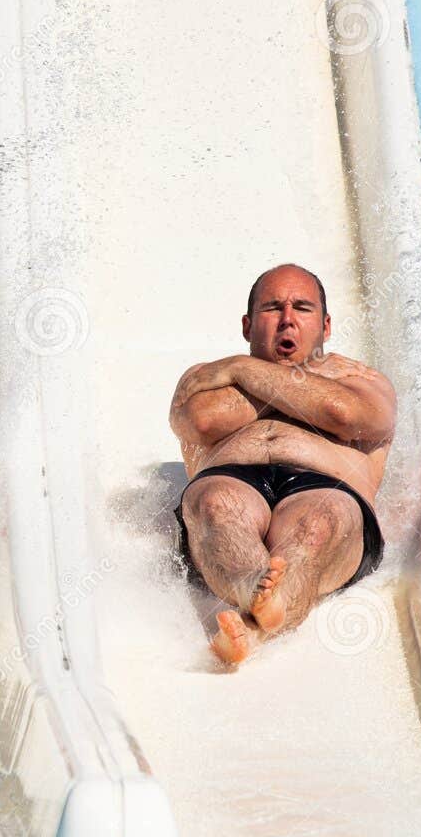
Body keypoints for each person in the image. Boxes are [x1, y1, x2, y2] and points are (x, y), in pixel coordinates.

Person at [168, 264, 396, 666]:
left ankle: (256, 621)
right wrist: (293, 382)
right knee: (217, 504)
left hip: (327, 489)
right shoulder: (203, 377)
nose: (287, 319)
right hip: (230, 479)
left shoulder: (361, 378)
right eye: (273, 308)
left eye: (302, 309)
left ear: (325, 327)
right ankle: (256, 594)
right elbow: (204, 420)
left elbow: (341, 413)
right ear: (247, 325)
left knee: (316, 525)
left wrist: (241, 370)